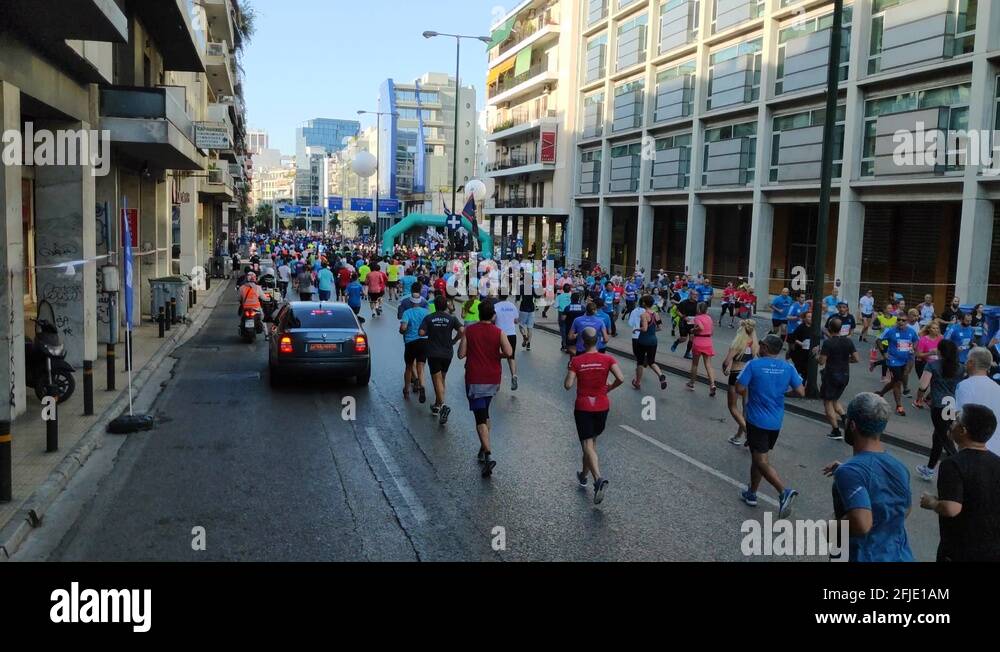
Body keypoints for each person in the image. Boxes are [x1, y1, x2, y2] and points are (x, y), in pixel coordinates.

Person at [823, 393, 914, 563]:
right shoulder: (899, 466)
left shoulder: (851, 472)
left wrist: (831, 528)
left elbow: (862, 524)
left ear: (852, 425)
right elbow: (905, 509)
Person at [919, 404, 1000, 561]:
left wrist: (932, 502)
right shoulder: (997, 462)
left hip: (959, 550)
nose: (951, 423)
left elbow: (951, 508)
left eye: (955, 420)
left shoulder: (953, 464)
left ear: (963, 431)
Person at [736, 335, 805, 518]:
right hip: (776, 421)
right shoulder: (788, 367)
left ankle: (784, 492)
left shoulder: (753, 365)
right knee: (758, 456)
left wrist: (754, 390)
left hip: (757, 419)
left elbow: (739, 389)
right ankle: (751, 493)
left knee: (760, 461)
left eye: (760, 344)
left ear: (765, 347)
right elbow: (801, 391)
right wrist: (781, 394)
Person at [565, 327, 625, 505]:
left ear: (582, 342)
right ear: (598, 339)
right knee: (591, 443)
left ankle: (597, 479)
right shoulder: (608, 359)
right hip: (602, 406)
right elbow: (621, 378)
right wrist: (609, 388)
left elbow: (568, 385)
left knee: (587, 444)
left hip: (584, 406)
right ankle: (583, 475)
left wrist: (572, 373)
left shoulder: (577, 361)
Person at [458, 302, 513, 478]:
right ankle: (483, 447)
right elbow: (509, 352)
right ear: (493, 316)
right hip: (493, 379)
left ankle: (488, 454)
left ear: (479, 314)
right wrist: (496, 354)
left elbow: (461, 354)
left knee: (480, 417)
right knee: (485, 412)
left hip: (475, 378)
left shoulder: (470, 330)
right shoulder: (499, 332)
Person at [914, 340, 964, 481]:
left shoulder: (933, 365)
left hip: (938, 406)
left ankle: (960, 469)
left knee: (945, 440)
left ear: (940, 352)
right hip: (952, 404)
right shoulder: (960, 368)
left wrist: (919, 398)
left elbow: (923, 385)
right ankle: (929, 469)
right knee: (939, 437)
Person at [419, 296, 465, 425]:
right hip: (447, 353)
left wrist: (428, 332)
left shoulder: (429, 318)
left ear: (435, 305)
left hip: (433, 353)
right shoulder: (451, 318)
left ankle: (443, 406)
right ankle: (437, 405)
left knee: (436, 380)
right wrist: (455, 340)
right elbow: (462, 330)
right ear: (445, 306)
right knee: (442, 379)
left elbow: (421, 332)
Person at [819, 318, 859, 440]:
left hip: (831, 375)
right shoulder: (848, 342)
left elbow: (822, 361)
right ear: (841, 328)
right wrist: (845, 360)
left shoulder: (828, 343)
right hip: (845, 375)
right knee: (835, 399)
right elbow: (856, 358)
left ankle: (836, 430)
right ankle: (845, 418)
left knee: (827, 402)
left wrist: (816, 354)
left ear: (829, 329)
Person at [956, 348, 1000, 457]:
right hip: (995, 449)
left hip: (973, 447)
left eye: (967, 360)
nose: (965, 362)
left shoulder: (965, 386)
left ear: (971, 362)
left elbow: (961, 416)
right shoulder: (997, 388)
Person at [721, 320, 759, 446]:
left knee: (732, 407)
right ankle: (738, 436)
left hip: (736, 375)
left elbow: (727, 361)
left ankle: (748, 433)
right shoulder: (754, 344)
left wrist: (724, 369)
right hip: (749, 376)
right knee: (746, 409)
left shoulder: (738, 343)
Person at [876, 317, 919, 416]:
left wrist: (914, 347)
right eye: (899, 320)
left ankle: (881, 393)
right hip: (893, 361)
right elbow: (879, 340)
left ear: (907, 322)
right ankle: (899, 406)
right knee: (898, 382)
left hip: (906, 360)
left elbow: (916, 340)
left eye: (904, 320)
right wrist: (884, 353)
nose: (901, 322)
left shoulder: (911, 331)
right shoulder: (890, 331)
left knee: (896, 380)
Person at [399, 288, 430, 403]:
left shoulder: (407, 313)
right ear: (420, 301)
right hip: (424, 342)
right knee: (421, 367)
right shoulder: (426, 312)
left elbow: (403, 328)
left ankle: (406, 389)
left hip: (411, 342)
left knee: (408, 366)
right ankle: (422, 386)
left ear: (411, 302)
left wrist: (402, 331)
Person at [632, 295, 668, 391]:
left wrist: (636, 329)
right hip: (653, 341)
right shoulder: (656, 314)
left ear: (644, 303)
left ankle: (637, 383)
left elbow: (644, 328)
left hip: (643, 341)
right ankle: (661, 375)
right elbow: (660, 327)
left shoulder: (644, 315)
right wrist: (651, 332)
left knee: (640, 362)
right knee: (651, 361)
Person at [687, 302, 717, 396]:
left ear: (699, 309)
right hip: (708, 342)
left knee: (695, 364)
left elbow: (700, 327)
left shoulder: (697, 318)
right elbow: (712, 332)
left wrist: (693, 330)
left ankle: (692, 383)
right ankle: (712, 385)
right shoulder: (709, 318)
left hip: (699, 341)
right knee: (708, 365)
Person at [494, 295, 520, 391]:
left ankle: (497, 383)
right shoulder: (512, 305)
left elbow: (492, 319)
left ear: (498, 296)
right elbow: (517, 320)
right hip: (511, 334)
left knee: (497, 358)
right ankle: (514, 375)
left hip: (499, 334)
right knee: (511, 357)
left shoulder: (495, 306)